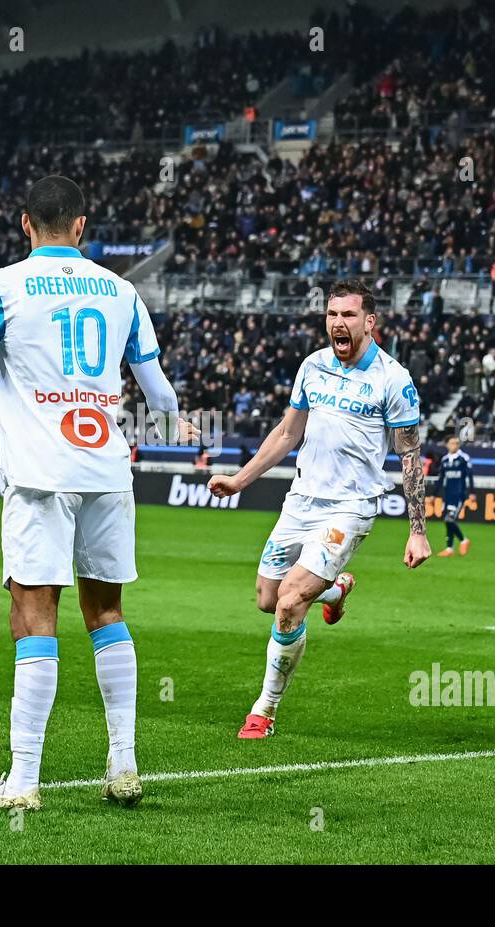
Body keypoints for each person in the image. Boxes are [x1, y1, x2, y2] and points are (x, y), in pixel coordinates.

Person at [0, 175, 195, 811]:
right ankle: (124, 766)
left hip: (40, 477)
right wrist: (175, 427)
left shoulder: (0, 288)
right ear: (82, 225)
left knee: (33, 616)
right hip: (107, 470)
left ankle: (23, 782)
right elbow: (160, 398)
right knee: (107, 614)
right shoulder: (122, 292)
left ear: (26, 224)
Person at [207, 278, 430, 739]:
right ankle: (335, 590)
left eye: (348, 315)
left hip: (349, 508)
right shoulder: (312, 366)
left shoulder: (393, 378)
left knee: (288, 604)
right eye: (332, 315)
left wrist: (418, 530)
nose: (338, 323)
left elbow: (409, 456)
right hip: (301, 502)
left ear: (369, 322)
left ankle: (263, 711)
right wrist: (240, 480)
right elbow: (288, 434)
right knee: (267, 600)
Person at [437, 435, 473, 556]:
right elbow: (441, 479)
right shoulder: (445, 460)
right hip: (447, 495)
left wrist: (472, 492)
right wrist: (433, 495)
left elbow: (470, 476)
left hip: (458, 494)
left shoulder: (463, 458)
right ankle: (449, 549)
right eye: (452, 443)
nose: (455, 445)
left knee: (449, 519)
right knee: (447, 520)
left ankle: (464, 540)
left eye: (457, 443)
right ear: (447, 444)